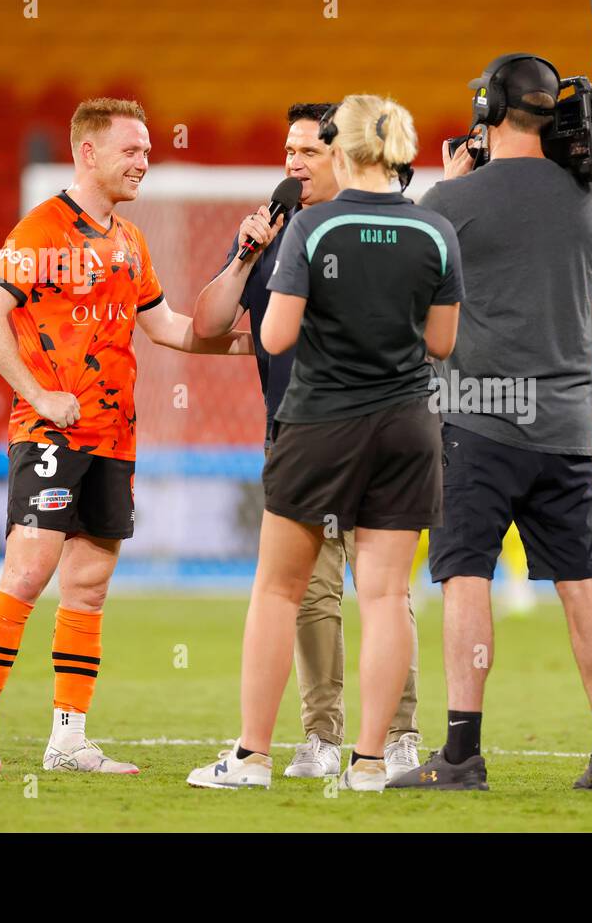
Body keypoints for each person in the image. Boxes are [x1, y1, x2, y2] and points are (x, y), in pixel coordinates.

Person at [0, 98, 253, 775]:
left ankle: (67, 738)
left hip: (116, 437)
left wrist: (253, 345)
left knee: (87, 588)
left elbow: (170, 327)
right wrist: (37, 394)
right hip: (50, 432)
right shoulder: (42, 230)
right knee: (29, 570)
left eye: (148, 149)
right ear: (88, 153)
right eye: (132, 149)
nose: (144, 160)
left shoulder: (129, 240)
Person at [187, 95, 462, 793]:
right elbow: (442, 342)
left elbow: (274, 336)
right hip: (406, 424)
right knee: (386, 595)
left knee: (279, 591)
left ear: (342, 149)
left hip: (317, 422)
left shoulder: (312, 227)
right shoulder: (435, 230)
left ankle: (252, 757)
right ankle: (372, 762)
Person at [387, 53, 592, 793]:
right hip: (567, 423)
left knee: (464, 577)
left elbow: (408, 251)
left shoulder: (460, 200)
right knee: (583, 580)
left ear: (490, 108)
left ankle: (461, 753)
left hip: (480, 419)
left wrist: (453, 182)